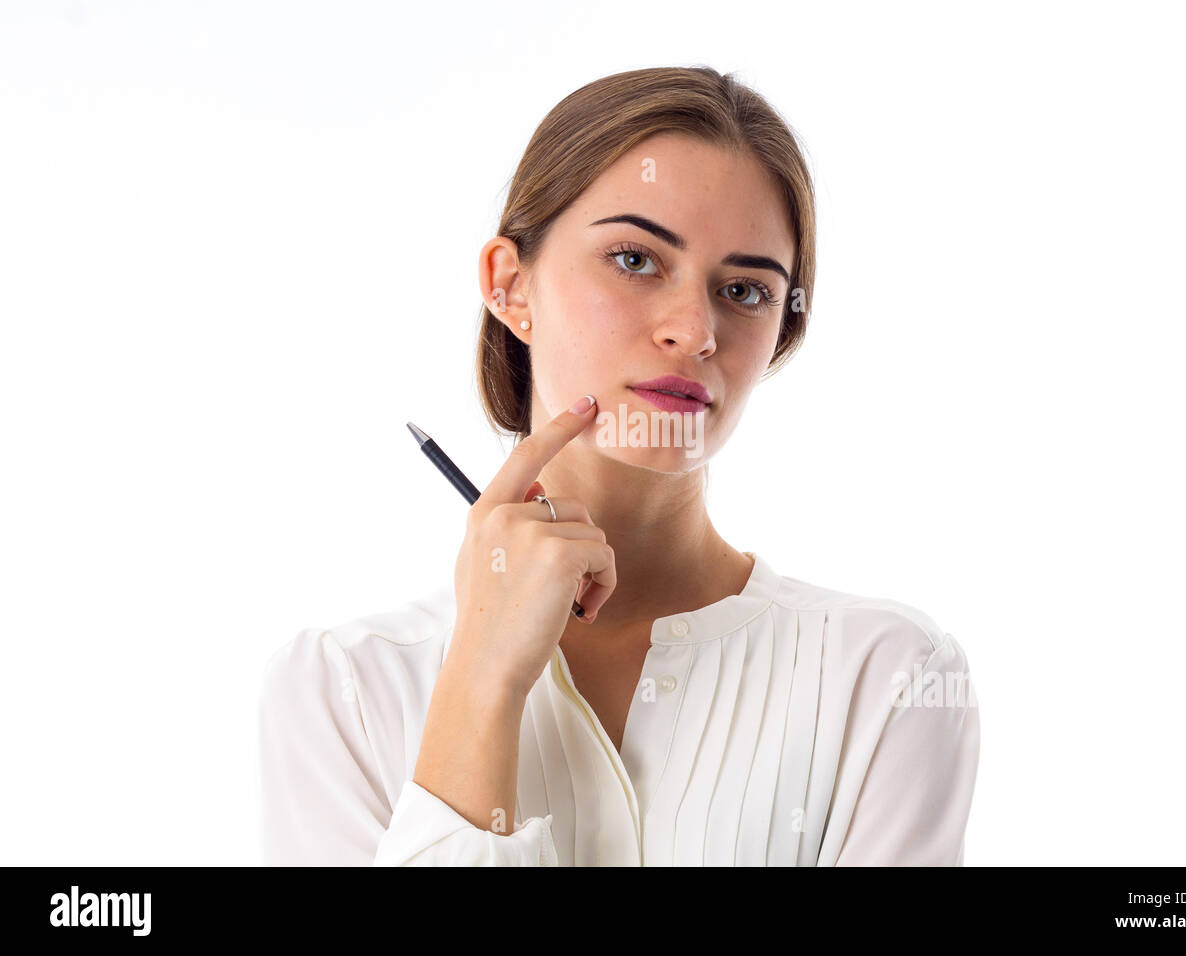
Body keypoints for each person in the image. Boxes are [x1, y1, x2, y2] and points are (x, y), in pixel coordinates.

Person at [258, 65, 980, 866]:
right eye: (635, 260)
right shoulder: (343, 692)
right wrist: (482, 679)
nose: (693, 329)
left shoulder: (887, 681)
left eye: (745, 289)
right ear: (510, 284)